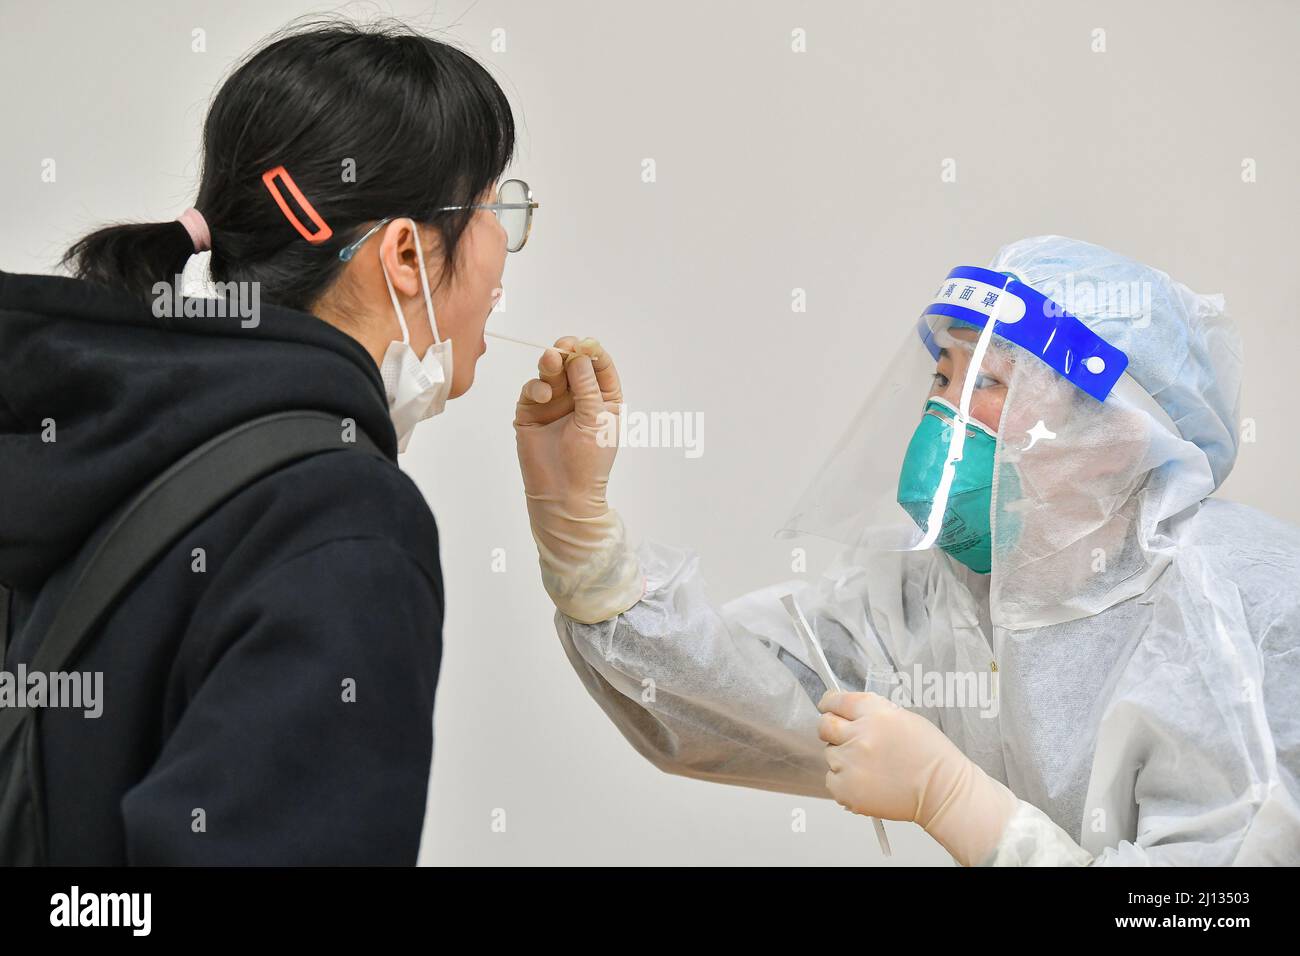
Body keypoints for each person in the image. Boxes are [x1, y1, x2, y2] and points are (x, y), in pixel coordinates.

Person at [513, 235, 1300, 865]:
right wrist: (584, 537)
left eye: (986, 383)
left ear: (1114, 434)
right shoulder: (939, 593)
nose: (943, 413)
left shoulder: (1234, 610)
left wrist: (963, 808)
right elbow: (732, 702)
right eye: (940, 373)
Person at [0, 19, 534, 864]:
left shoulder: (101, 437)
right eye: (497, 208)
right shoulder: (344, 514)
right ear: (404, 252)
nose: (507, 248)